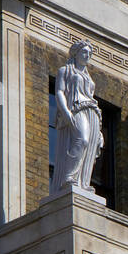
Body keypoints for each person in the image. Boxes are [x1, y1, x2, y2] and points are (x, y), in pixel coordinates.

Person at [51, 39, 104, 195]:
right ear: (76, 53)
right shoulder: (65, 71)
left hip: (92, 111)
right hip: (76, 109)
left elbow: (90, 96)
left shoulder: (88, 77)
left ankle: (82, 182)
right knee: (82, 139)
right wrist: (66, 112)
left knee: (90, 147)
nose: (87, 55)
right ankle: (68, 177)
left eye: (89, 53)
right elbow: (59, 92)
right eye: (84, 52)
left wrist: (100, 129)